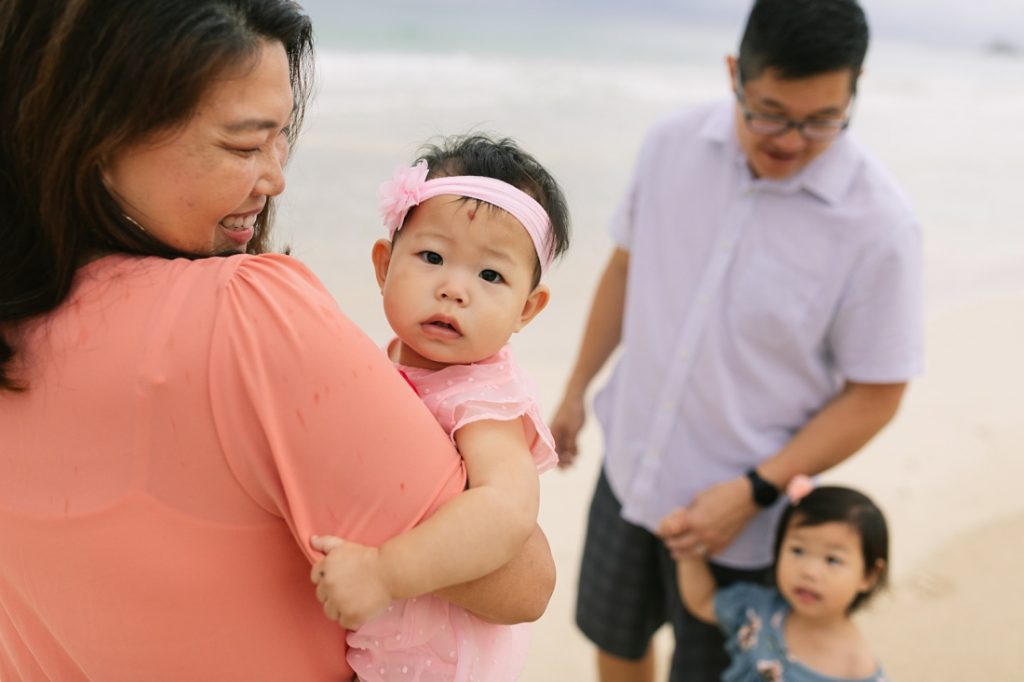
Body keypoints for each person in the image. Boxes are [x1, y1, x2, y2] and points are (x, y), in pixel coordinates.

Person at [0, 2, 554, 680]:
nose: (275, 180)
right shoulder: (246, 319)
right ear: (97, 131)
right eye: (242, 145)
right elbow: (525, 581)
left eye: (279, 141)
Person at [549, 0, 923, 679]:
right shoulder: (670, 144)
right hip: (631, 465)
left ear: (854, 89)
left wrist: (756, 489)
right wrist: (577, 388)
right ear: (734, 74)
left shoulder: (881, 226)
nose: (790, 140)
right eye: (771, 113)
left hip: (749, 525)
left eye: (822, 121)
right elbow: (627, 268)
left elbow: (878, 393)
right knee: (616, 639)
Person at [309, 134, 571, 682]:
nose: (454, 289)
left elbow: (507, 511)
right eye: (432, 257)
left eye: (490, 275)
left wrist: (385, 572)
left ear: (528, 308)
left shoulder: (483, 397)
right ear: (384, 265)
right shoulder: (386, 366)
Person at [659, 477, 890, 682]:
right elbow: (704, 602)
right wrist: (688, 554)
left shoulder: (856, 669)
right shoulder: (761, 610)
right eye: (798, 550)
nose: (808, 571)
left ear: (869, 575)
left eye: (832, 560)